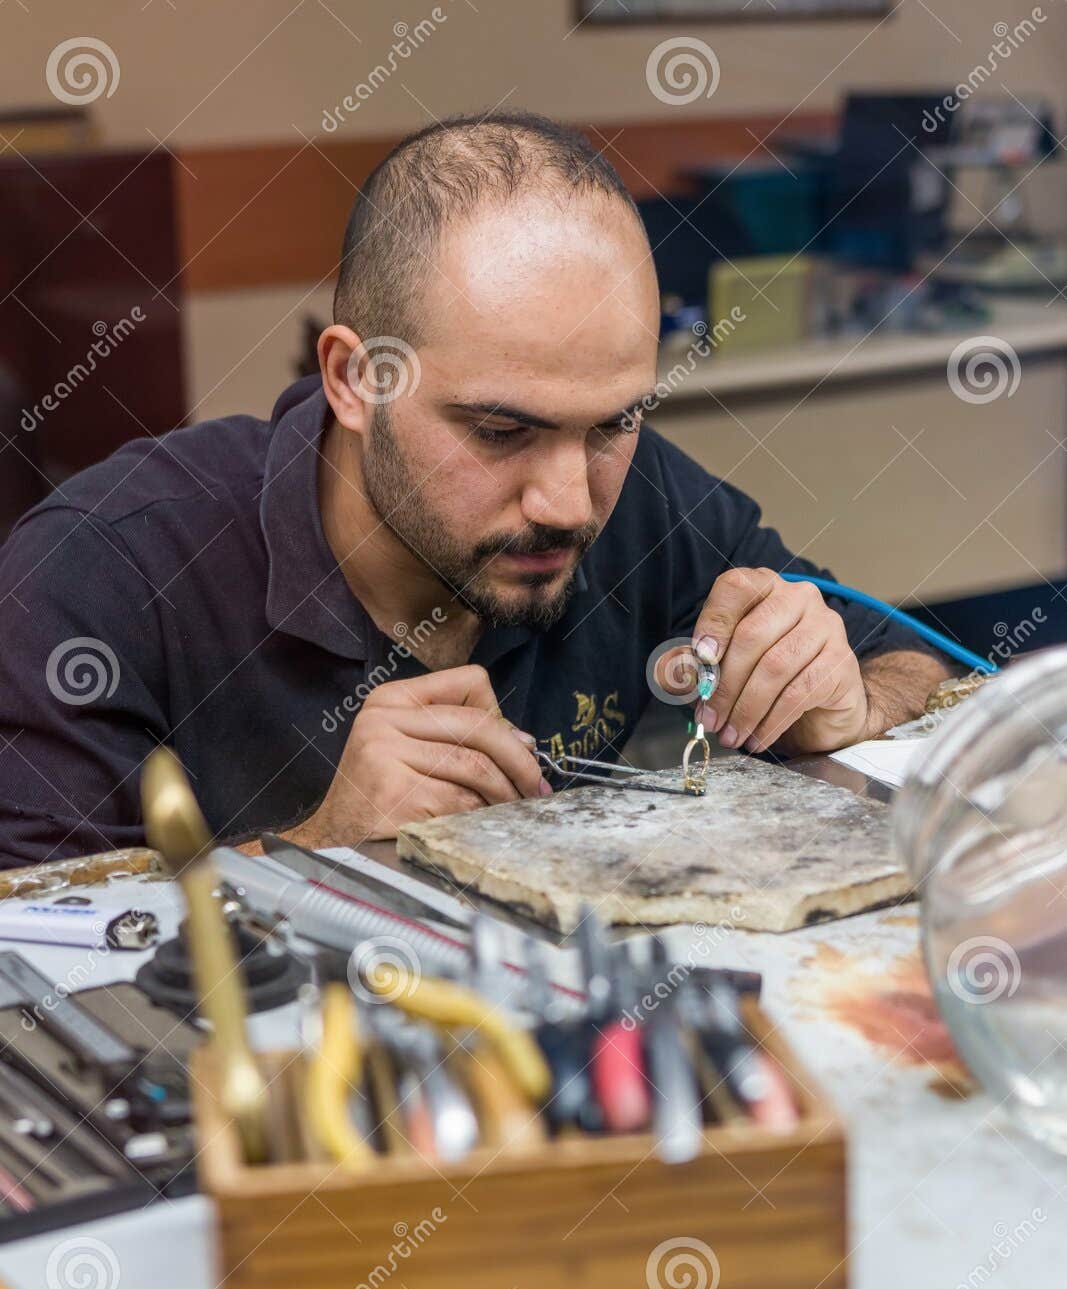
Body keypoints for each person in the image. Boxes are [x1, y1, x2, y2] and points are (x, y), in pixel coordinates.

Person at [0, 111, 948, 868]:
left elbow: (919, 664)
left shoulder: (638, 498)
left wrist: (850, 705)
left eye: (614, 422)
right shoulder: (101, 575)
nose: (569, 504)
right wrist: (316, 851)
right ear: (354, 381)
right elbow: (31, 958)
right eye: (501, 432)